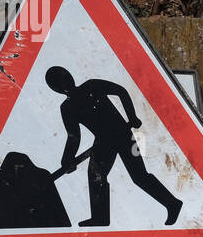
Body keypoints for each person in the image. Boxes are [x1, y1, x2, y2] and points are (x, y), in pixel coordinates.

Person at [45, 66, 183, 226]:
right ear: (56, 89)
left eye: (65, 78)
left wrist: (132, 116)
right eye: (59, 82)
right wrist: (67, 159)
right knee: (96, 175)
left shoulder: (91, 85)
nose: (65, 83)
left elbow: (120, 91)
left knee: (139, 176)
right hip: (103, 142)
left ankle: (172, 203)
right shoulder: (67, 108)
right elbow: (74, 136)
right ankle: (100, 217)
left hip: (124, 135)